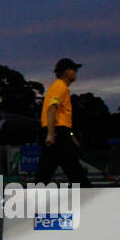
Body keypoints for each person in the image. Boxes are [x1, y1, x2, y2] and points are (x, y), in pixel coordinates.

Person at [36, 58, 90, 186]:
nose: (76, 72)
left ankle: (33, 199)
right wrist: (51, 133)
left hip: (58, 131)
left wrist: (71, 136)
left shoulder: (58, 87)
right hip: (58, 132)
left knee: (46, 171)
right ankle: (88, 194)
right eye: (74, 69)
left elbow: (59, 114)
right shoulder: (60, 87)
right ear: (67, 72)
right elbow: (51, 108)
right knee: (73, 169)